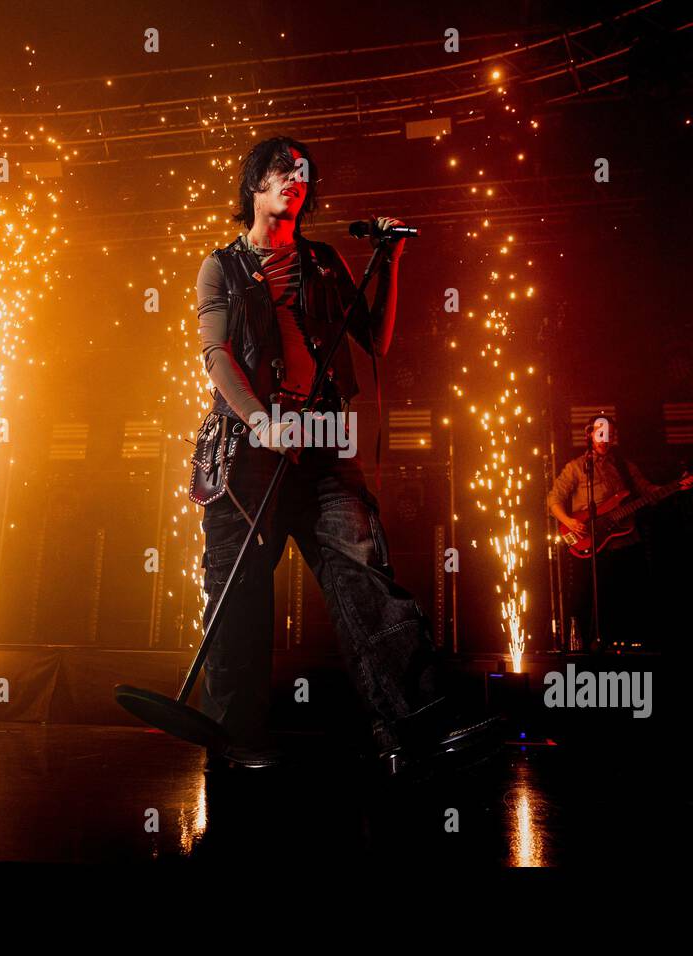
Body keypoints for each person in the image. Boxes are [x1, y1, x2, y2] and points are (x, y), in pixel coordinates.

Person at [193, 135, 499, 774]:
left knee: (362, 569)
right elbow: (218, 356)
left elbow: (376, 339)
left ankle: (412, 721)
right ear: (254, 184)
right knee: (239, 586)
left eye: (303, 174)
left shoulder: (325, 262)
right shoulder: (222, 266)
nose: (294, 180)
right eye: (282, 171)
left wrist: (391, 260)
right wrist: (258, 421)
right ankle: (237, 736)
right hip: (247, 450)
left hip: (323, 443)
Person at [547, 415, 693, 653]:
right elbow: (553, 499)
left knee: (632, 591)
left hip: (625, 539)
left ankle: (631, 643)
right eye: (600, 433)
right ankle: (581, 646)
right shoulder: (576, 467)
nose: (605, 439)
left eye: (609, 434)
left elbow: (647, 490)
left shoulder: (626, 467)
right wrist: (570, 521)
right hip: (592, 541)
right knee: (586, 594)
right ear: (590, 435)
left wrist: (678, 485)